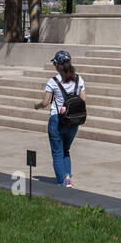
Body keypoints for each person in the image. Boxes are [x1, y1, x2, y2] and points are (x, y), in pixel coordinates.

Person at [33, 50, 85, 187]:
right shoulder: (79, 79)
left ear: (56, 65)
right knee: (66, 150)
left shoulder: (53, 81)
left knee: (57, 153)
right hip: (73, 121)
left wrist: (37, 106)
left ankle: (62, 182)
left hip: (56, 120)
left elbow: (45, 103)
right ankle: (67, 178)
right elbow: (83, 101)